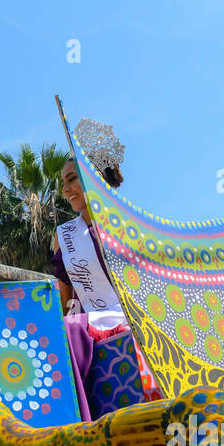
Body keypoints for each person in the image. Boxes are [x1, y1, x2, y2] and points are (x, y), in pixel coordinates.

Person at [51, 119, 131, 414]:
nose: (66, 188)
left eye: (72, 179)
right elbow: (64, 298)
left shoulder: (124, 228)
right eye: (64, 183)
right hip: (86, 329)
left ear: (92, 179)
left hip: (129, 323)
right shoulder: (64, 236)